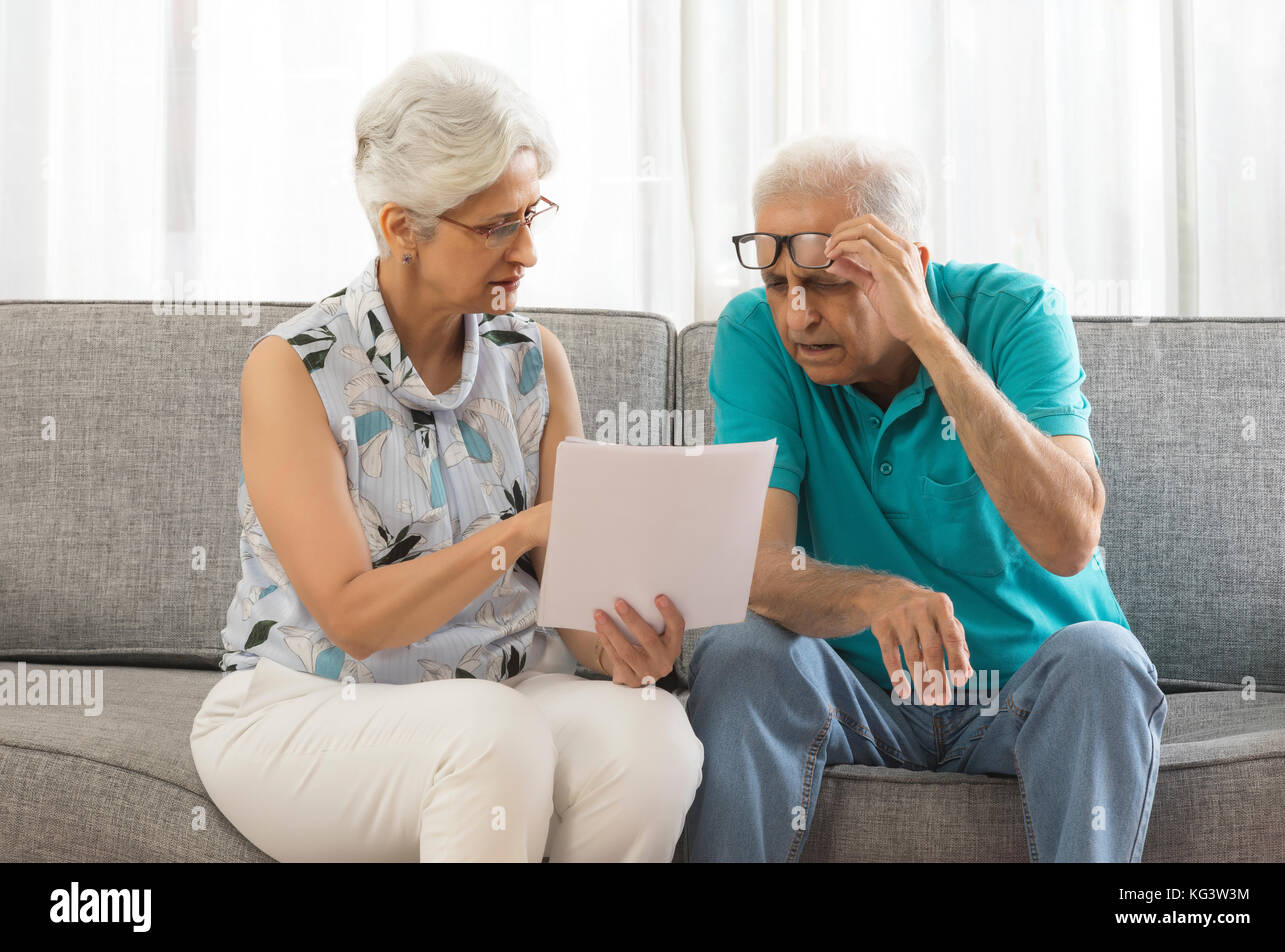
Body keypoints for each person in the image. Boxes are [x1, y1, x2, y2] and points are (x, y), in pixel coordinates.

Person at [190, 50, 703, 863]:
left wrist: (627, 653)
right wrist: (528, 527)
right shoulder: (295, 368)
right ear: (402, 228)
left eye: (534, 215)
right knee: (492, 738)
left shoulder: (534, 359)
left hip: (497, 691)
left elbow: (569, 596)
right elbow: (354, 619)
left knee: (653, 740)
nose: (527, 252)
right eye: (499, 225)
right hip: (307, 705)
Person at [683, 134, 1167, 863]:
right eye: (779, 285)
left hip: (1027, 692)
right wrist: (875, 599)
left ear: (909, 267)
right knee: (740, 649)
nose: (798, 315)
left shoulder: (1017, 312)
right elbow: (751, 565)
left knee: (1106, 658)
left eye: (831, 284)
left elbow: (1069, 539)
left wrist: (931, 338)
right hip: (857, 697)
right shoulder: (756, 338)